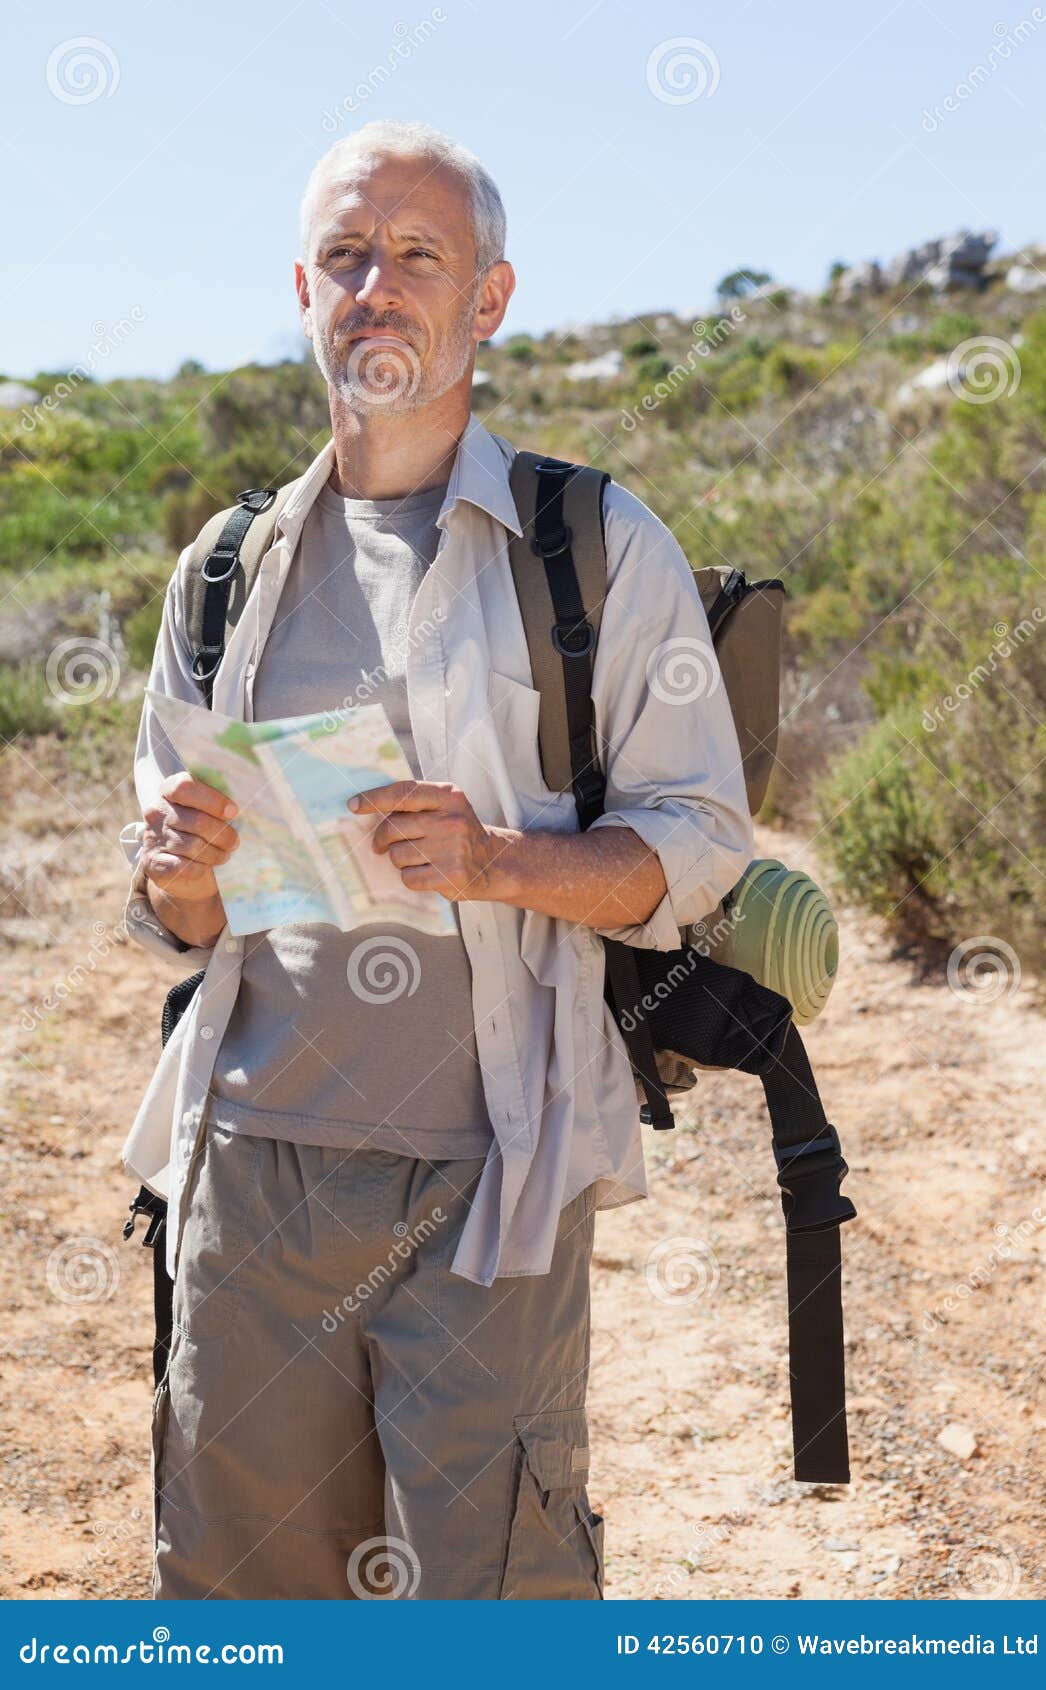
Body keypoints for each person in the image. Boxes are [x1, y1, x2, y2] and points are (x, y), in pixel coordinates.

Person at [119, 118, 753, 1600]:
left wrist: (498, 860)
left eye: (418, 257)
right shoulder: (226, 571)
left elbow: (703, 843)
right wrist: (177, 863)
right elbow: (176, 915)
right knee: (242, 1594)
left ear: (490, 299)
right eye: (345, 257)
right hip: (251, 1179)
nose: (375, 289)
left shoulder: (591, 545)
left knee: (495, 1596)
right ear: (301, 288)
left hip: (497, 1181)